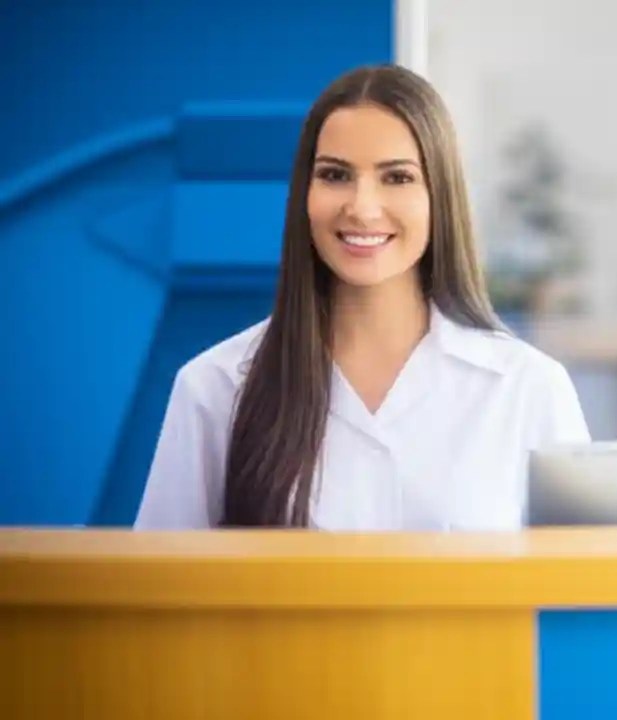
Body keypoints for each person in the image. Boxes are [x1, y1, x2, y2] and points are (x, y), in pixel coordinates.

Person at [134, 65, 590, 530]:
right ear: (304, 194)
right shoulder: (215, 388)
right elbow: (159, 592)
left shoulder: (527, 388)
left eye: (397, 178)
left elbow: (580, 591)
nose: (363, 208)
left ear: (440, 195)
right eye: (335, 175)